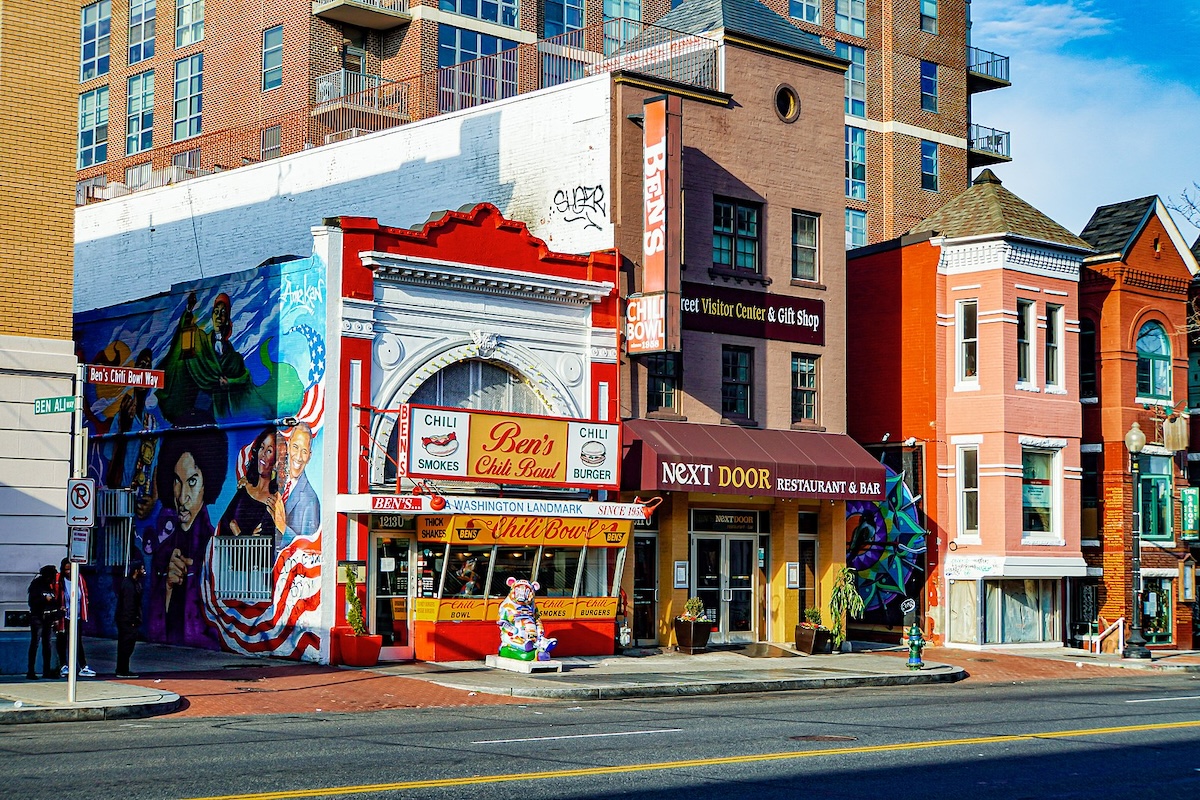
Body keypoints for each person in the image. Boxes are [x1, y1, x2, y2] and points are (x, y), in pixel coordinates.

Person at [149, 429, 227, 647]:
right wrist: (167, 588)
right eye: (177, 481)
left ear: (207, 482)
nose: (182, 496)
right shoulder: (163, 553)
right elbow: (152, 627)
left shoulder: (215, 548)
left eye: (192, 481)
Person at [218, 427, 279, 539]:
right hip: (231, 555)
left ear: (275, 462)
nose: (263, 454)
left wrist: (239, 533)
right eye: (262, 447)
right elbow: (226, 524)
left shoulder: (273, 502)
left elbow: (263, 542)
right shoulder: (244, 489)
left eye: (269, 451)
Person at [276, 423, 320, 545]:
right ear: (289, 445)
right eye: (295, 447)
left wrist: (282, 526)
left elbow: (308, 546)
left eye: (304, 451)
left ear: (309, 456)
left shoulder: (311, 500)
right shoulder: (277, 482)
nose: (299, 457)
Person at [55, 559, 97, 678]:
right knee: (62, 640)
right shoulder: (60, 580)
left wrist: (85, 604)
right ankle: (63, 665)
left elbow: (84, 593)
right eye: (66, 569)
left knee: (77, 641)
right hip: (65, 616)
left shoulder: (79, 578)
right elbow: (57, 596)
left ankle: (83, 666)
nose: (68, 572)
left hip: (77, 616)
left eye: (70, 569)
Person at [26, 565, 60, 680]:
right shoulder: (37, 585)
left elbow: (54, 602)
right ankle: (31, 671)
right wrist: (44, 599)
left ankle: (47, 671)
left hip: (48, 617)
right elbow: (32, 602)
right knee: (35, 643)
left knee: (47, 644)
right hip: (37, 617)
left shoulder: (50, 586)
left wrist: (56, 615)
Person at [116, 560, 146, 678]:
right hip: (127, 620)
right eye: (142, 569)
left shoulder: (134, 583)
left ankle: (123, 669)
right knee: (126, 645)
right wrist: (131, 620)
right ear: (136, 570)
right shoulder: (129, 585)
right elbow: (129, 605)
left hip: (128, 619)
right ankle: (122, 670)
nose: (144, 571)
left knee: (127, 645)